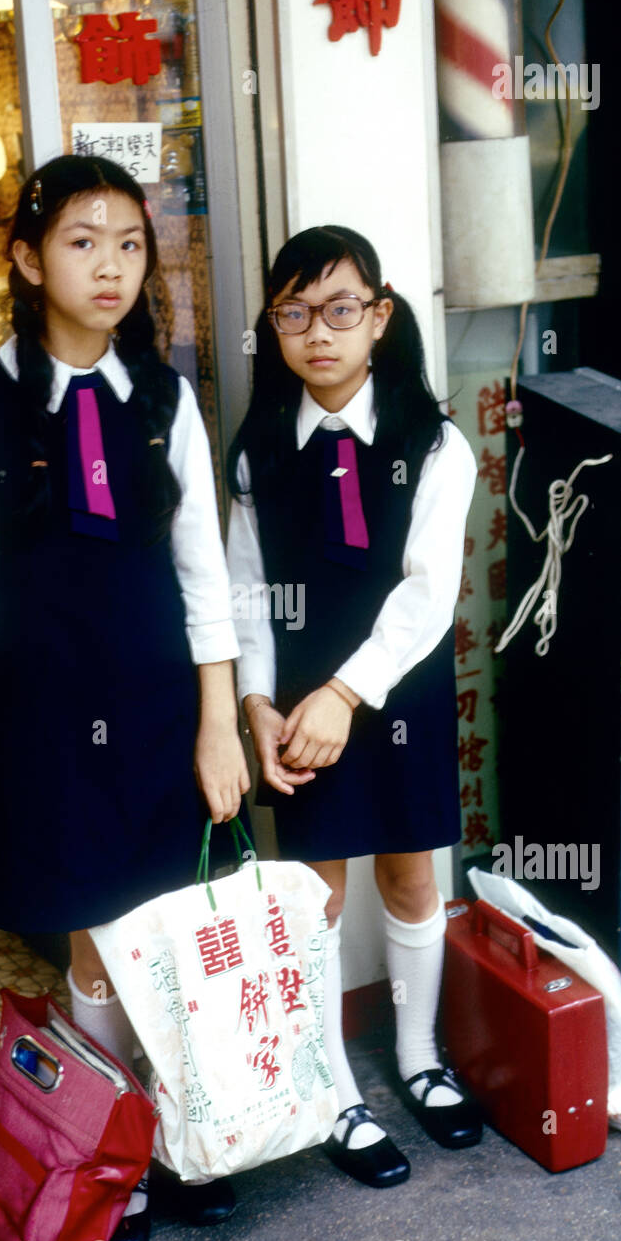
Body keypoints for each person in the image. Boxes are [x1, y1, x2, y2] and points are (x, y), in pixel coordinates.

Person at [0, 155, 249, 1241]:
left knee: (166, 930)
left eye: (128, 241)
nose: (109, 265)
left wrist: (219, 722)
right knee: (96, 944)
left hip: (165, 712)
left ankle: (170, 1138)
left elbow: (207, 573)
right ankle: (116, 1158)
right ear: (24, 257)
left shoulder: (167, 399)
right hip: (53, 726)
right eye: (79, 240)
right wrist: (6, 694)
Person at [226, 225, 482, 1188]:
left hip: (394, 693)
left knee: (413, 875)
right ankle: (332, 1089)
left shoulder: (433, 442)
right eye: (294, 313)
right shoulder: (259, 452)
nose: (317, 333)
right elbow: (247, 590)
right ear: (275, 327)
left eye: (340, 310)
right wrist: (258, 702)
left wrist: (347, 692)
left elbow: (427, 593)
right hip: (298, 707)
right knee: (316, 897)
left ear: (379, 316)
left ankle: (419, 1060)